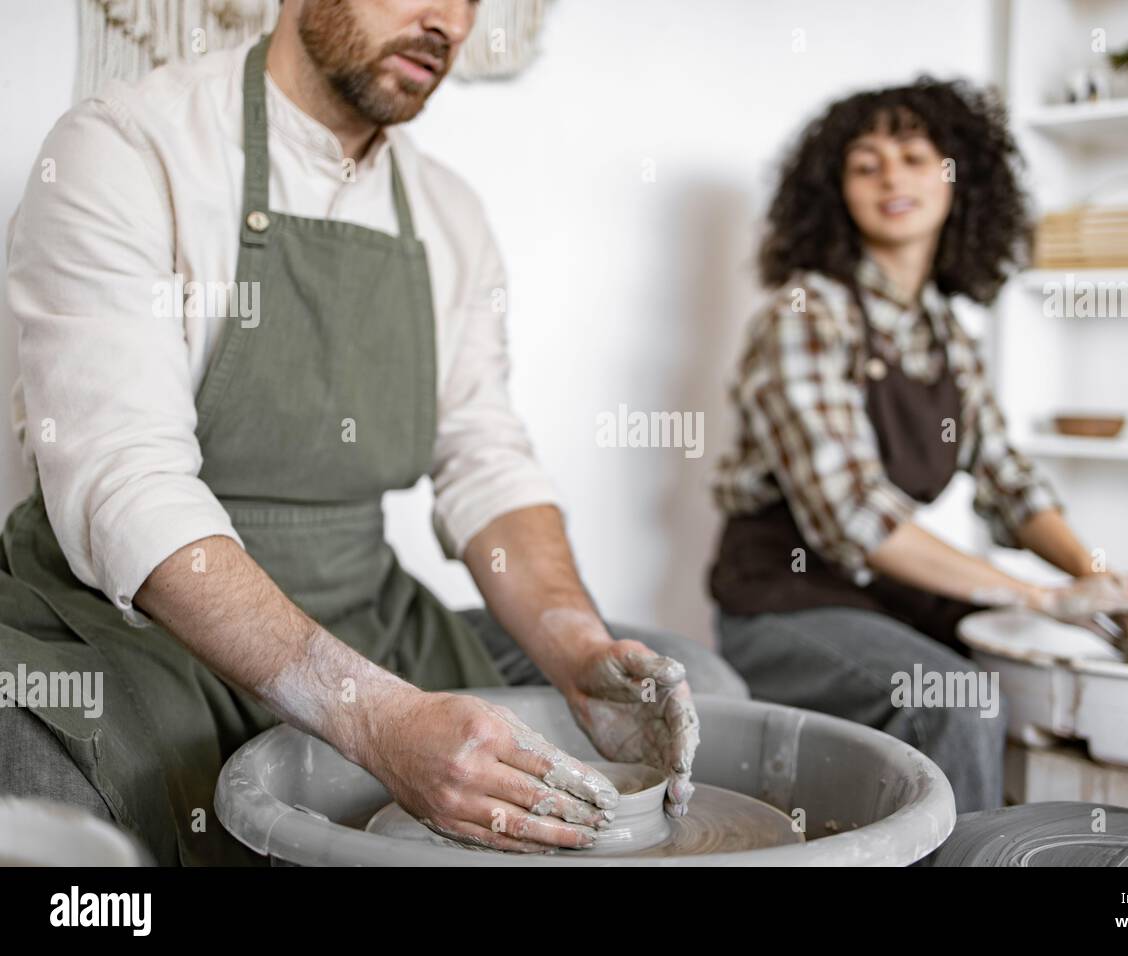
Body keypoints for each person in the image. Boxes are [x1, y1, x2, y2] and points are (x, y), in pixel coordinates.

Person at [0, 0, 744, 866]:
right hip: (130, 623)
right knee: (38, 772)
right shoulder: (127, 148)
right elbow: (126, 484)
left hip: (362, 605)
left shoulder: (446, 214)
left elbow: (484, 458)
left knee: (705, 684)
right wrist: (374, 718)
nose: (450, 23)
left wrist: (575, 644)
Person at [708, 78, 1128, 813]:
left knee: (1048, 667)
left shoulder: (947, 334)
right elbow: (853, 516)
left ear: (961, 179)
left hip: (889, 602)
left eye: (916, 157)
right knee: (963, 703)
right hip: (783, 605)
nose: (892, 176)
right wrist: (1040, 594)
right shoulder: (805, 315)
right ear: (836, 193)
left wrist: (1098, 577)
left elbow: (1008, 482)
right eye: (866, 165)